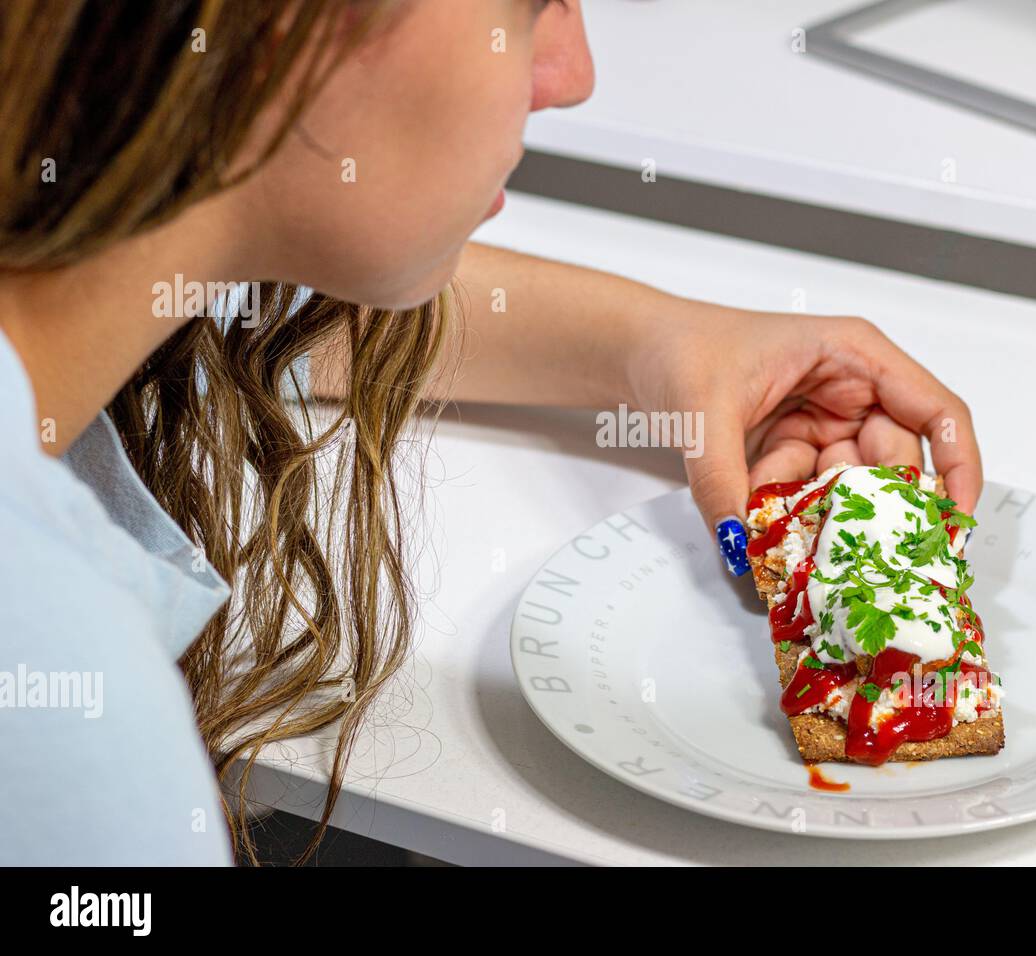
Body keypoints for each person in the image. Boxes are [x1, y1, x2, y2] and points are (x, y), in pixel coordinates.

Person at [0, 0, 981, 864]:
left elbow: (235, 299)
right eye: (536, 0)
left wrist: (661, 343)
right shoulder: (66, 722)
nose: (573, 75)